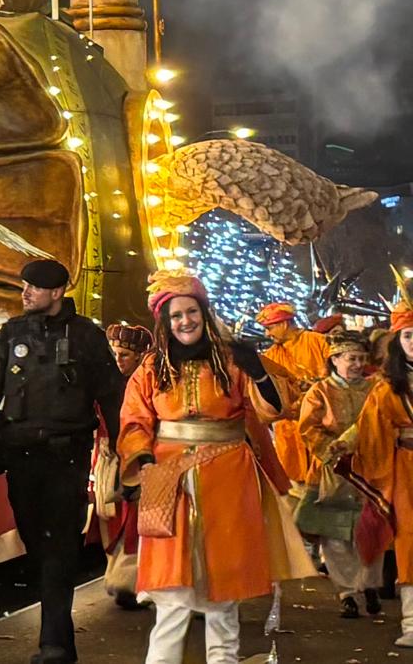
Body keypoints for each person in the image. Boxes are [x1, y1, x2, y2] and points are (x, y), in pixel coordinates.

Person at [119, 271, 312, 664]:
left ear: (204, 315)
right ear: (165, 322)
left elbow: (273, 410)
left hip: (229, 476)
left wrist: (257, 371)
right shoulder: (152, 367)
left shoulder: (231, 361)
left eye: (191, 312)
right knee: (170, 595)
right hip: (167, 481)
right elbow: (134, 420)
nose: (185, 321)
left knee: (224, 593)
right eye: (176, 316)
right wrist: (142, 460)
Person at [0, 258, 124, 664]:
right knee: (38, 544)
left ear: (57, 292)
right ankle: (57, 636)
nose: (26, 293)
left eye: (34, 287)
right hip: (19, 456)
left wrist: (125, 449)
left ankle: (54, 644)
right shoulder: (10, 335)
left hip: (65, 455)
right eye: (24, 286)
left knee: (58, 547)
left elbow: (112, 396)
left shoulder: (86, 337)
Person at [296, 332, 380, 618]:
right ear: (334, 359)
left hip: (370, 470)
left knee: (371, 530)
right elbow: (308, 428)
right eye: (351, 358)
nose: (357, 364)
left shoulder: (376, 388)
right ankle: (347, 592)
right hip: (332, 472)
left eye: (361, 359)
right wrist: (332, 453)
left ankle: (369, 584)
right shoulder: (320, 391)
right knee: (334, 536)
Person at [348, 300, 413, 647]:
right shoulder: (387, 387)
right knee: (410, 542)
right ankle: (412, 622)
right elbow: (371, 432)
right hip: (404, 469)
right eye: (408, 335)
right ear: (397, 341)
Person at [94, 322, 151, 610]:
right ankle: (119, 576)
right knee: (110, 517)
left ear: (141, 356)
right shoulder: (105, 381)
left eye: (124, 355)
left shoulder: (146, 383)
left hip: (135, 460)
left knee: (132, 521)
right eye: (114, 354)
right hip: (107, 457)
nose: (118, 360)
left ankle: (129, 579)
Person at [258, 301, 334, 490]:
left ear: (284, 324)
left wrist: (316, 386)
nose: (267, 334)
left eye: (270, 328)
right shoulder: (270, 357)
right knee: (296, 486)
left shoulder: (318, 342)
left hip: (322, 424)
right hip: (290, 429)